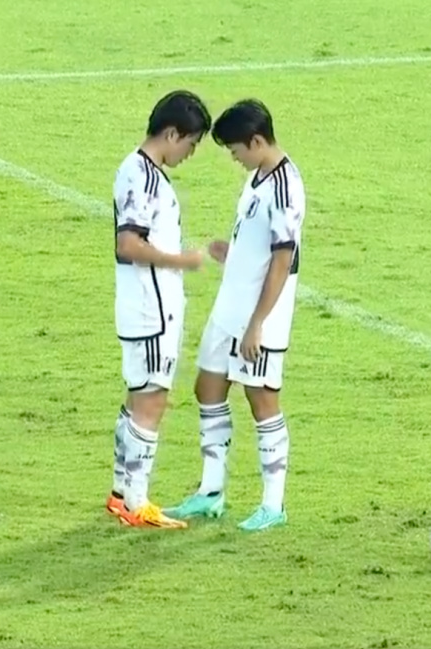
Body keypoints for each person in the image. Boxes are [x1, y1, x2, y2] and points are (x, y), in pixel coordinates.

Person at [166, 99, 306, 532]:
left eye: (236, 150)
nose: (234, 158)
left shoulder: (286, 187)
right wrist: (235, 253)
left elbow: (284, 261)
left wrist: (259, 324)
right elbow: (260, 244)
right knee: (207, 387)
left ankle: (272, 504)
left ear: (258, 141)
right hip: (231, 307)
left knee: (261, 400)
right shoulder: (257, 176)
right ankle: (211, 492)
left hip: (259, 316)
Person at [108, 89, 211, 529]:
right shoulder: (142, 177)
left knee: (139, 398)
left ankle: (121, 494)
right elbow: (128, 244)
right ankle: (137, 501)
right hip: (152, 310)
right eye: (189, 144)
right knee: (152, 400)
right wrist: (181, 260)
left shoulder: (141, 172)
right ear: (172, 133)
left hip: (144, 307)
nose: (189, 154)